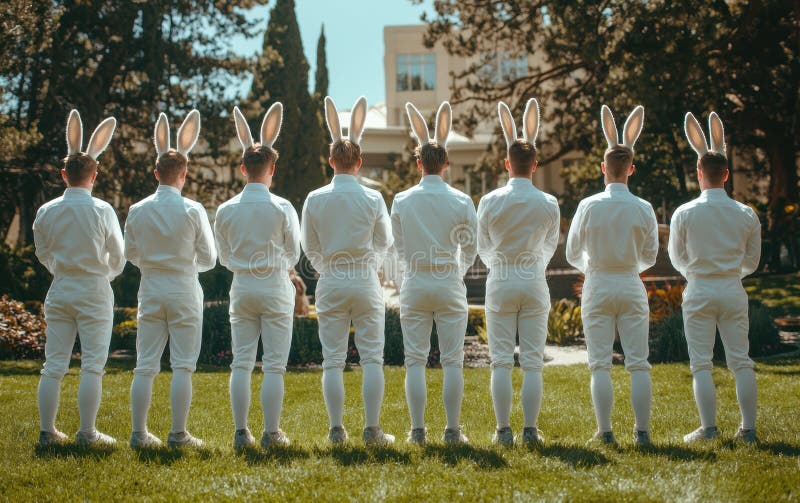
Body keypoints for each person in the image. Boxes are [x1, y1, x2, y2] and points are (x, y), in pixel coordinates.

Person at [300, 96, 394, 446]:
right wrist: (369, 264)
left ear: (331, 162)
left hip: (332, 281)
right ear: (360, 162)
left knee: (332, 360)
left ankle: (337, 429)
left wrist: (328, 266)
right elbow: (385, 241)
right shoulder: (372, 199)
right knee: (372, 357)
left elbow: (308, 245)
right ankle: (372, 429)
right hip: (365, 280)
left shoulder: (314, 197)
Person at [566, 105, 658, 447]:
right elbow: (649, 254)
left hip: (599, 283)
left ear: (603, 168)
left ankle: (605, 431)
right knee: (639, 362)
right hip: (631, 283)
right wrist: (630, 266)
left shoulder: (588, 206)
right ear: (631, 169)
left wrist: (592, 267)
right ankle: (642, 432)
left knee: (600, 364)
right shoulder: (644, 207)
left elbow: (572, 251)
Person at [124, 110, 216, 448]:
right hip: (183, 289)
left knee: (144, 365)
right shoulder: (192, 210)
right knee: (182, 366)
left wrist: (152, 263)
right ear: (184, 175)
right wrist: (186, 263)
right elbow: (209, 258)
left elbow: (129, 253)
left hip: (150, 288)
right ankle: (178, 434)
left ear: (155, 173)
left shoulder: (137, 209)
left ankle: (138, 433)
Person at [669, 112, 761, 444]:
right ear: (726, 174)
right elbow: (752, 261)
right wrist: (731, 273)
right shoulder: (747, 213)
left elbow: (676, 257)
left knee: (701, 364)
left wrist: (697, 273)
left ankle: (709, 428)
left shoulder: (684, 212)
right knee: (741, 360)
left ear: (699, 173)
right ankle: (747, 430)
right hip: (732, 288)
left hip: (699, 289)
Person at [33, 109, 123, 447]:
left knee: (53, 364)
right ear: (94, 174)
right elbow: (118, 255)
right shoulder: (102, 210)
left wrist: (59, 269)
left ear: (63, 174)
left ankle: (47, 432)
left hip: (60, 288)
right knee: (92, 366)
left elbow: (42, 251)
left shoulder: (46, 210)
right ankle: (87, 432)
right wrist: (105, 274)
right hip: (94, 290)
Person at [392, 101, 478, 445]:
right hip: (447, 280)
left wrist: (409, 268)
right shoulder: (461, 200)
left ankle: (417, 432)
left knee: (415, 360)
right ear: (446, 164)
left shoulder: (401, 200)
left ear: (418, 164)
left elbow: (397, 246)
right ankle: (453, 431)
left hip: (415, 280)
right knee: (452, 361)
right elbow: (471, 246)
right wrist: (458, 270)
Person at [215, 103, 300, 448]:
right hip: (276, 285)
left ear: (242, 169)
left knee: (241, 363)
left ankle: (240, 433)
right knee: (274, 366)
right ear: (271, 169)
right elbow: (294, 252)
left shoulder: (225, 209)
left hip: (243, 287)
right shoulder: (282, 207)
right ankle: (271, 433)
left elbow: (222, 255)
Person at [477, 99, 560, 446]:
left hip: (501, 279)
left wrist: (501, 264)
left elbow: (483, 247)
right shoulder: (549, 202)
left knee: (500, 362)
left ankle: (503, 431)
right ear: (535, 165)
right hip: (533, 280)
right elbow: (550, 245)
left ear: (506, 164)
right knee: (532, 363)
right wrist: (532, 264)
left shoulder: (490, 201)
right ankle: (529, 429)